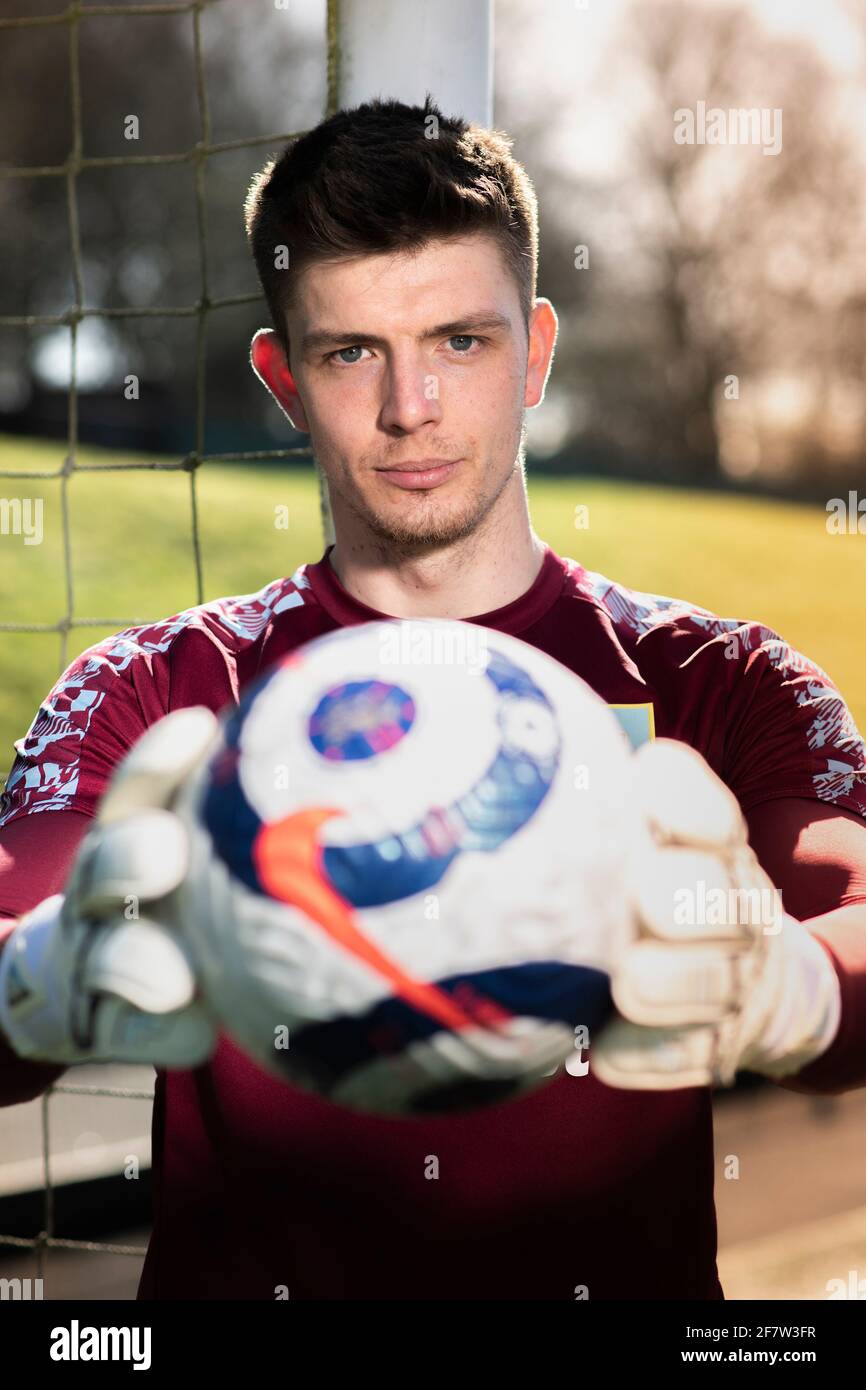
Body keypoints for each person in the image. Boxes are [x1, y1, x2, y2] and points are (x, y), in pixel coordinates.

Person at [1, 98, 865, 1301]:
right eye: (351, 350)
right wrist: (28, 985)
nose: (411, 405)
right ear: (283, 377)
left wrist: (798, 986)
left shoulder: (717, 680)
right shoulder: (156, 692)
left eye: (461, 340)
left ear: (537, 350)